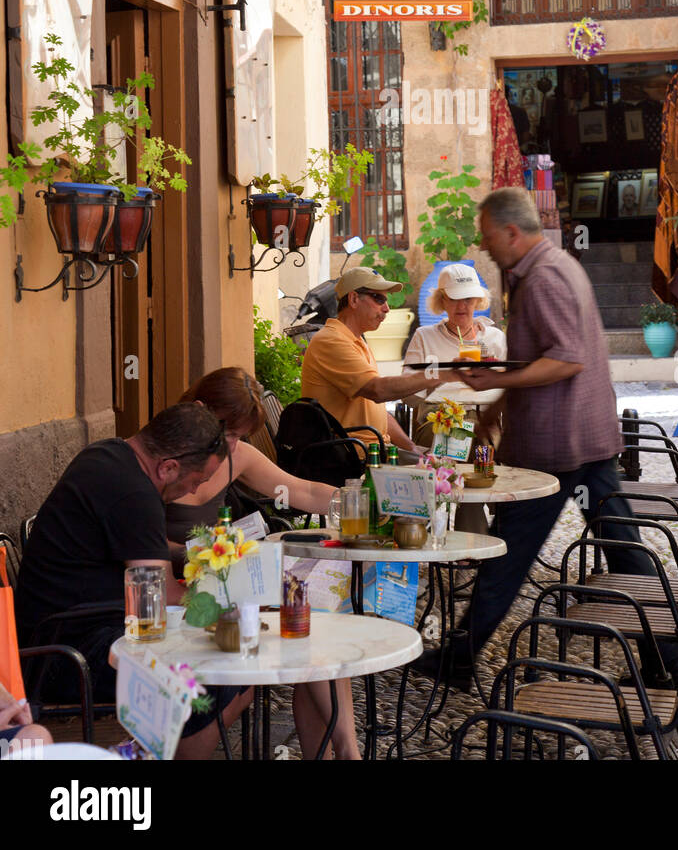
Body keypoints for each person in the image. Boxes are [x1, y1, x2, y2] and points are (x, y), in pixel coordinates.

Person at [360, 187, 678, 689]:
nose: (486, 248)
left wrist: (497, 382)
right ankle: (669, 653)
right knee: (621, 547)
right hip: (584, 437)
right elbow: (553, 355)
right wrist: (502, 382)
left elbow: (567, 358)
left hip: (559, 444)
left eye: (489, 237)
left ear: (513, 232)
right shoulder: (552, 268)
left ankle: (461, 660)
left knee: (508, 555)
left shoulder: (545, 276)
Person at [14, 402, 253, 760]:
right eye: (196, 481)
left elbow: (140, 549)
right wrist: (236, 597)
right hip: (66, 657)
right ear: (168, 467)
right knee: (208, 681)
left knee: (237, 672)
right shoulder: (135, 494)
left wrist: (193, 554)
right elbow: (166, 598)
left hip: (65, 633)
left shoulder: (109, 453)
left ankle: (151, 748)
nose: (191, 492)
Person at [171, 368, 359, 761]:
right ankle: (347, 751)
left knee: (309, 620)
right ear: (203, 412)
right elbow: (140, 543)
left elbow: (301, 490)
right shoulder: (165, 456)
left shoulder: (232, 454)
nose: (234, 444)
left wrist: (359, 502)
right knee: (306, 625)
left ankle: (344, 750)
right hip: (183, 592)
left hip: (219, 584)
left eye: (241, 435)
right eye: (231, 432)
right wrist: (205, 555)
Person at [300, 267, 423, 455]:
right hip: (351, 458)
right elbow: (378, 390)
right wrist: (438, 376)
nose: (387, 308)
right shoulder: (331, 340)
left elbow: (379, 411)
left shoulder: (356, 340)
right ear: (354, 299)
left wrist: (412, 449)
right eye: (379, 299)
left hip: (373, 451)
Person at [401, 263, 506, 370]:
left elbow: (510, 379)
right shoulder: (424, 337)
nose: (461, 306)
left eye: (468, 298)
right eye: (453, 299)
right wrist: (450, 374)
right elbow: (406, 381)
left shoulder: (496, 337)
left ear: (478, 300)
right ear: (442, 301)